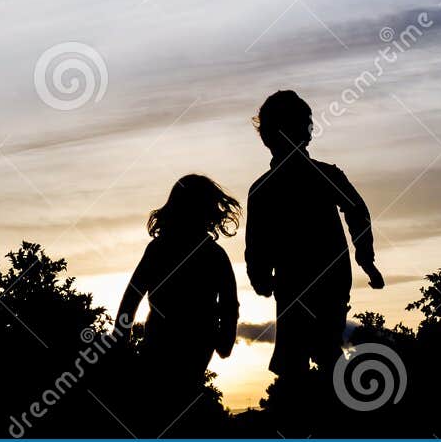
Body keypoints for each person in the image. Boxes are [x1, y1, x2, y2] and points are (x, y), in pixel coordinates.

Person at [245, 90, 382, 391]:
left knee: (301, 360)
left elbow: (257, 244)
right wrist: (365, 258)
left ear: (266, 136)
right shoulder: (321, 176)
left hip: (300, 283)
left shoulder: (265, 188)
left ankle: (305, 423)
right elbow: (357, 211)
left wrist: (260, 276)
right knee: (323, 355)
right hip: (319, 282)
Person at [116, 174, 240, 420]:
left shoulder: (160, 250)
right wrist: (225, 339)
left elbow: (132, 297)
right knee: (178, 404)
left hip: (165, 339)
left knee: (160, 408)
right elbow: (229, 305)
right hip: (194, 341)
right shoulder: (213, 254)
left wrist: (121, 339)